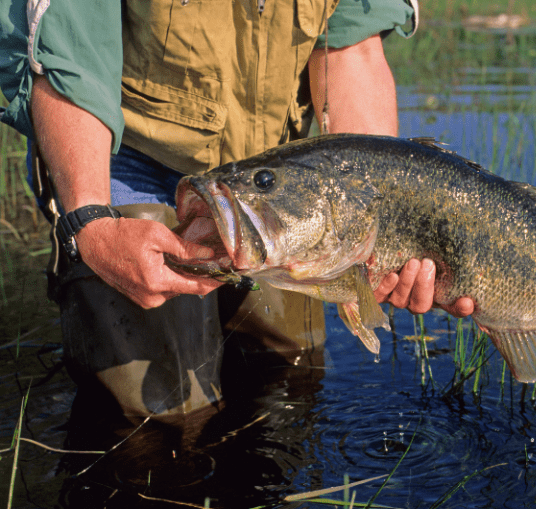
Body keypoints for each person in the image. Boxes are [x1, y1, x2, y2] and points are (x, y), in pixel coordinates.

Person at [0, 0, 474, 418]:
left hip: (269, 176)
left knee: (286, 376)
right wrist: (88, 219)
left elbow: (350, 49)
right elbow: (71, 57)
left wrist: (379, 235)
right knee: (155, 409)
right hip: (121, 154)